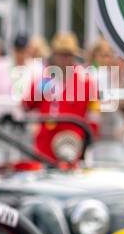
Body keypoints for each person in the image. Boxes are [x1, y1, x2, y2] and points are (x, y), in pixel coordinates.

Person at [22, 31, 98, 162]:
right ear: (54, 55)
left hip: (72, 150)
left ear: (74, 56)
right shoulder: (46, 79)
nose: (64, 59)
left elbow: (94, 119)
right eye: (60, 54)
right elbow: (27, 105)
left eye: (68, 55)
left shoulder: (85, 81)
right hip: (43, 149)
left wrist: (86, 144)